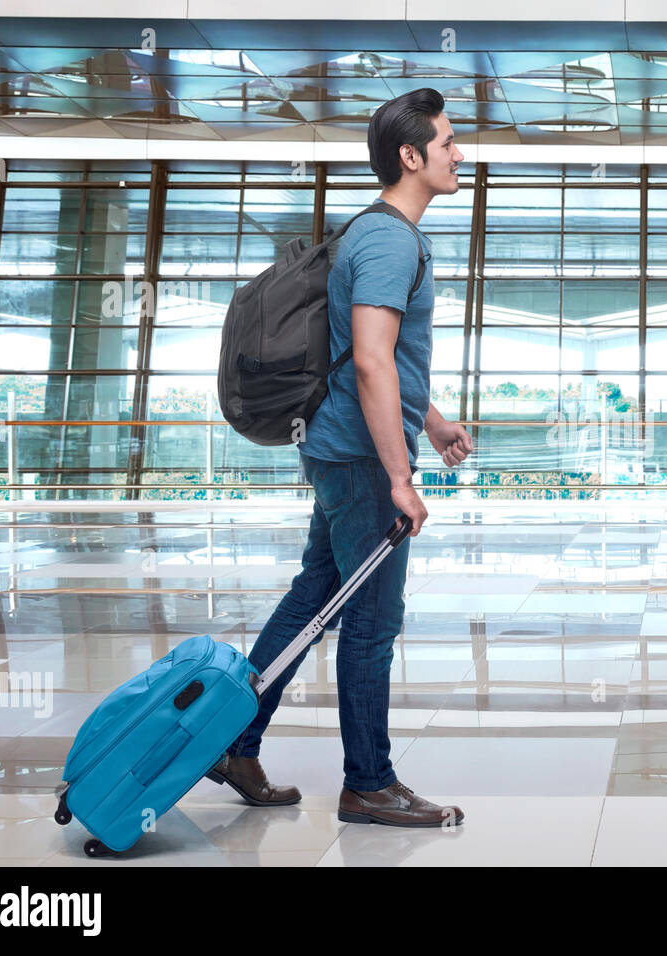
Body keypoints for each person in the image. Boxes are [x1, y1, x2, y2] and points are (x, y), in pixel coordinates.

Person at [208, 88, 473, 827]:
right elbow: (368, 364)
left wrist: (437, 421)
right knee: (372, 621)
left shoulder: (373, 233)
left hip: (340, 450)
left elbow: (379, 358)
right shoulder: (391, 240)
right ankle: (369, 783)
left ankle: (236, 740)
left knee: (311, 600)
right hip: (359, 460)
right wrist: (398, 476)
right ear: (410, 156)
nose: (461, 155)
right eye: (448, 143)